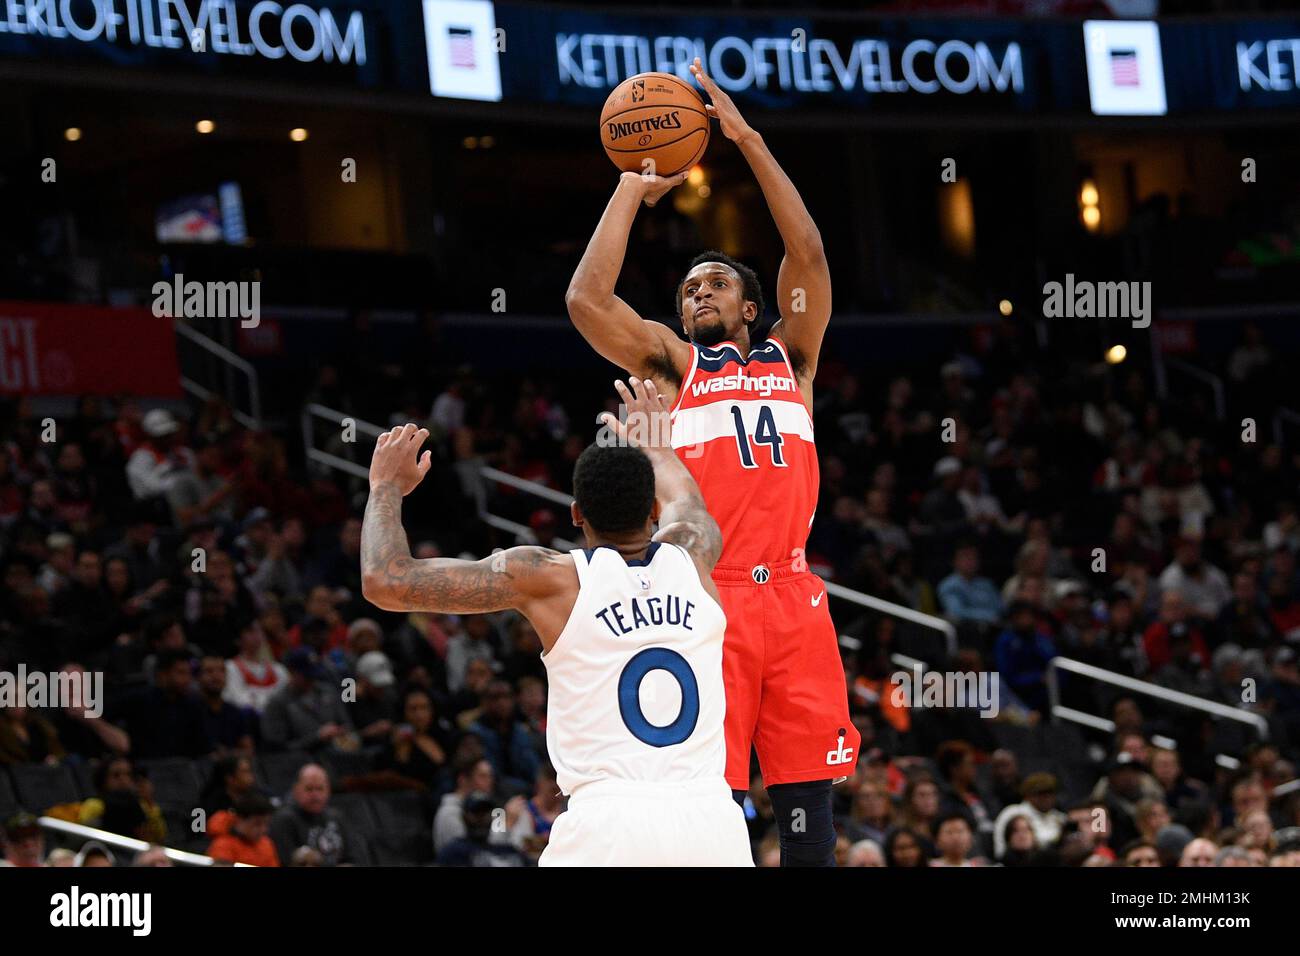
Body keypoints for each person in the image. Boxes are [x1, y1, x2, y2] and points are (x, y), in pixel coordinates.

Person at [563, 57, 857, 868]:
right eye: (689, 286)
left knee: (806, 799)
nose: (698, 293)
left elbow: (809, 248)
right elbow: (587, 301)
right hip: (705, 591)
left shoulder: (792, 357)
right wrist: (631, 183)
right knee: (710, 800)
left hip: (794, 594)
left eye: (716, 283)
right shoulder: (672, 366)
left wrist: (748, 139)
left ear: (750, 307)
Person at [361, 378, 751, 866]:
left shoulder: (550, 579)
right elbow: (685, 501)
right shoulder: (696, 554)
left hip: (609, 826)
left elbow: (385, 580)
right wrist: (656, 444)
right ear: (653, 512)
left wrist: (384, 489)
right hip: (713, 824)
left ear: (575, 515)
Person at [269, 764, 360, 867]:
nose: (315, 795)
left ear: (328, 790)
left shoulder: (336, 817)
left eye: (320, 789)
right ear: (296, 790)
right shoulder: (283, 820)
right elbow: (286, 862)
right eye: (309, 789)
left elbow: (352, 858)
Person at [207, 792, 280, 867]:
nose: (263, 829)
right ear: (239, 820)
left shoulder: (266, 844)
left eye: (266, 824)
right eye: (257, 824)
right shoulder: (223, 845)